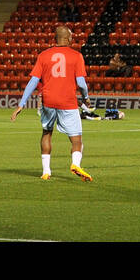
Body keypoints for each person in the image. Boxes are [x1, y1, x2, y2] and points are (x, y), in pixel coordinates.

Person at [11, 26, 93, 182]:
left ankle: (46, 171)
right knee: (76, 139)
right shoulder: (76, 56)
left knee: (47, 133)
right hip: (67, 102)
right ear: (67, 38)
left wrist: (21, 103)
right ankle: (75, 164)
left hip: (48, 101)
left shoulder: (44, 55)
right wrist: (86, 97)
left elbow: (33, 81)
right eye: (71, 37)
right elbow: (81, 83)